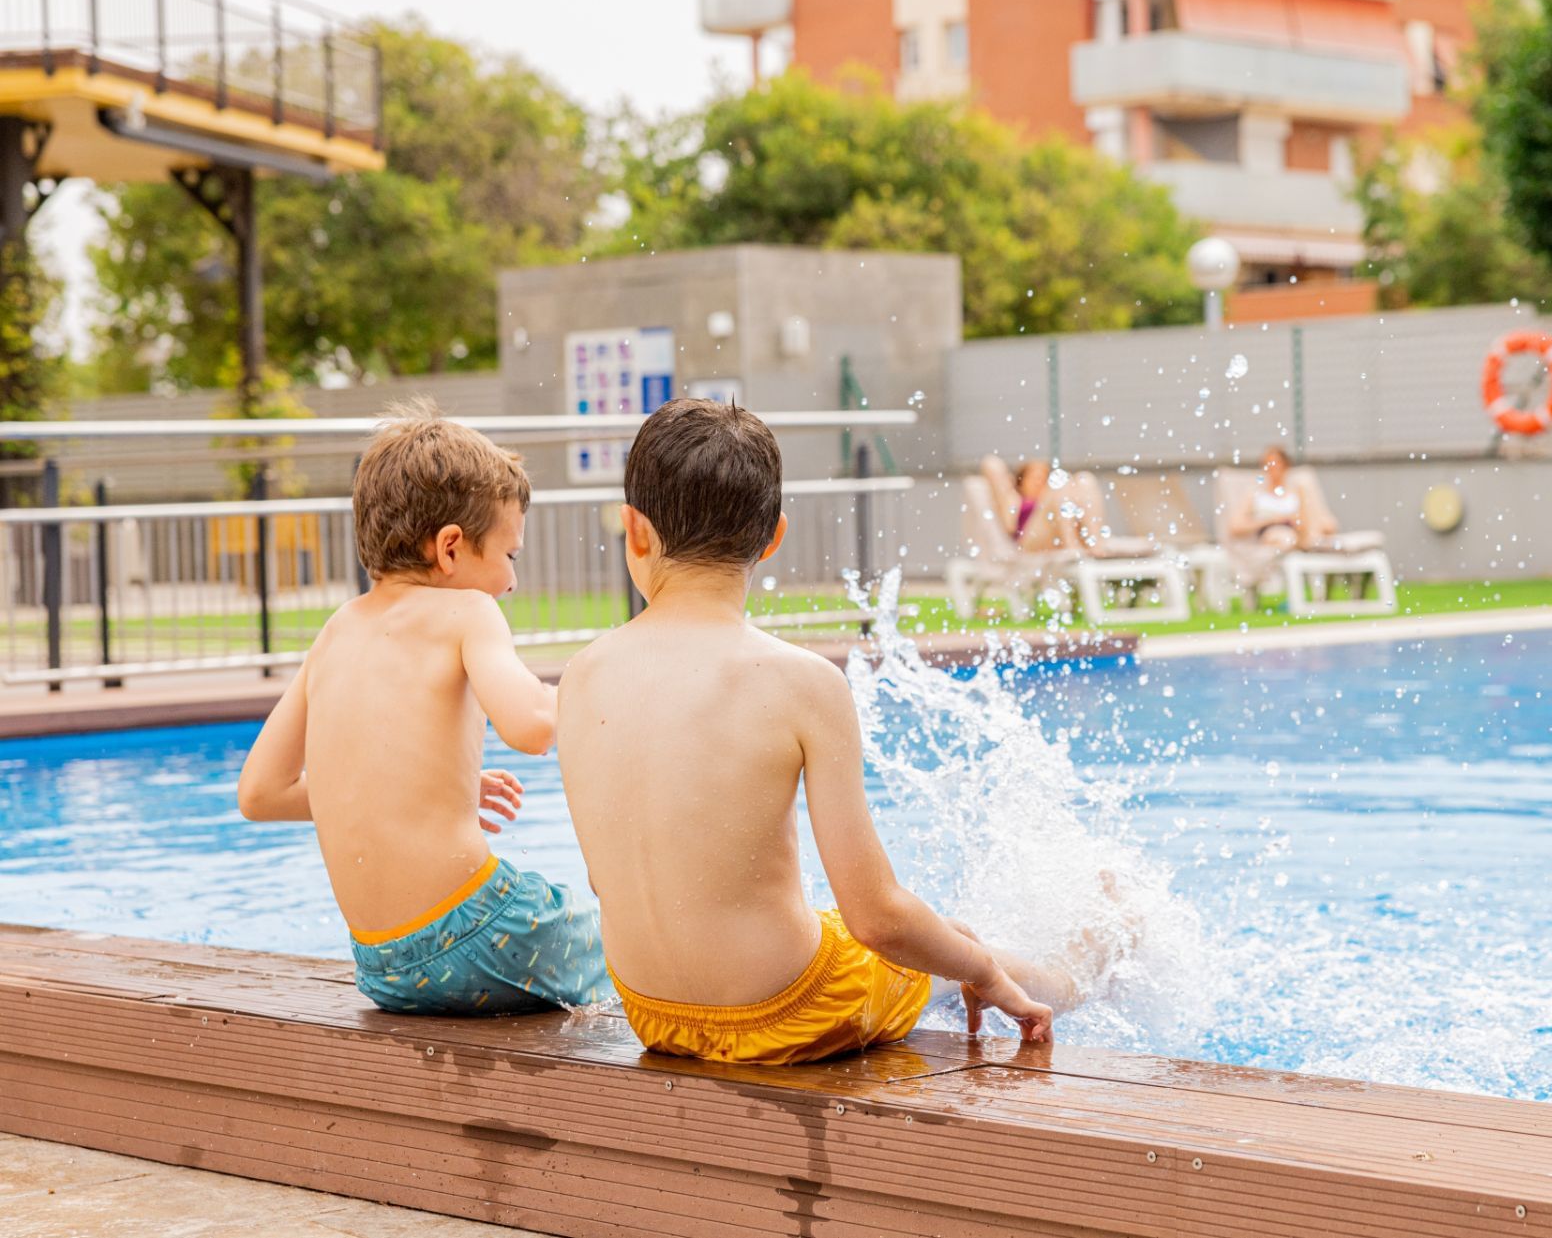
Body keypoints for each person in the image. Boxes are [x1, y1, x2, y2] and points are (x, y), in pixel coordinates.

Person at [562, 400, 1119, 1064]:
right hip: (786, 1010)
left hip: (653, 1010)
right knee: (956, 942)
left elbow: (606, 879)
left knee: (906, 935)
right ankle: (1083, 971)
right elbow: (878, 917)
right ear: (774, 537)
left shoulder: (581, 676)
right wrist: (982, 971)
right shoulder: (802, 682)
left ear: (634, 529)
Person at [237, 400, 612, 1015]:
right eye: (509, 556)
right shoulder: (467, 612)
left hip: (384, 968)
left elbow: (259, 793)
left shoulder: (337, 630)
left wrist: (415, 787)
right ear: (451, 548)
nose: (513, 582)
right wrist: (597, 684)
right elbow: (533, 727)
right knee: (631, 939)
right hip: (479, 929)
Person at [982, 455, 1149, 558]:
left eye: (1043, 477)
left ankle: (1094, 541)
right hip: (1031, 541)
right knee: (1061, 482)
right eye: (1034, 478)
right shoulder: (1015, 500)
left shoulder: (1056, 496)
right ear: (1021, 481)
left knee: (1085, 478)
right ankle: (1070, 545)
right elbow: (990, 464)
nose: (1040, 482)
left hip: (1065, 532)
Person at [1227, 445, 1330, 551]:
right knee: (1284, 537)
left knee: (1320, 523)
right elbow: (1236, 526)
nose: (1272, 468)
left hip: (1298, 530)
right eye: (1268, 464)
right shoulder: (1255, 494)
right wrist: (1271, 519)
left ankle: (1305, 542)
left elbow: (1322, 522)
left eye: (1277, 464)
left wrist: (1295, 518)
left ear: (1286, 466)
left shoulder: (1296, 491)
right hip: (1272, 533)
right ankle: (1301, 544)